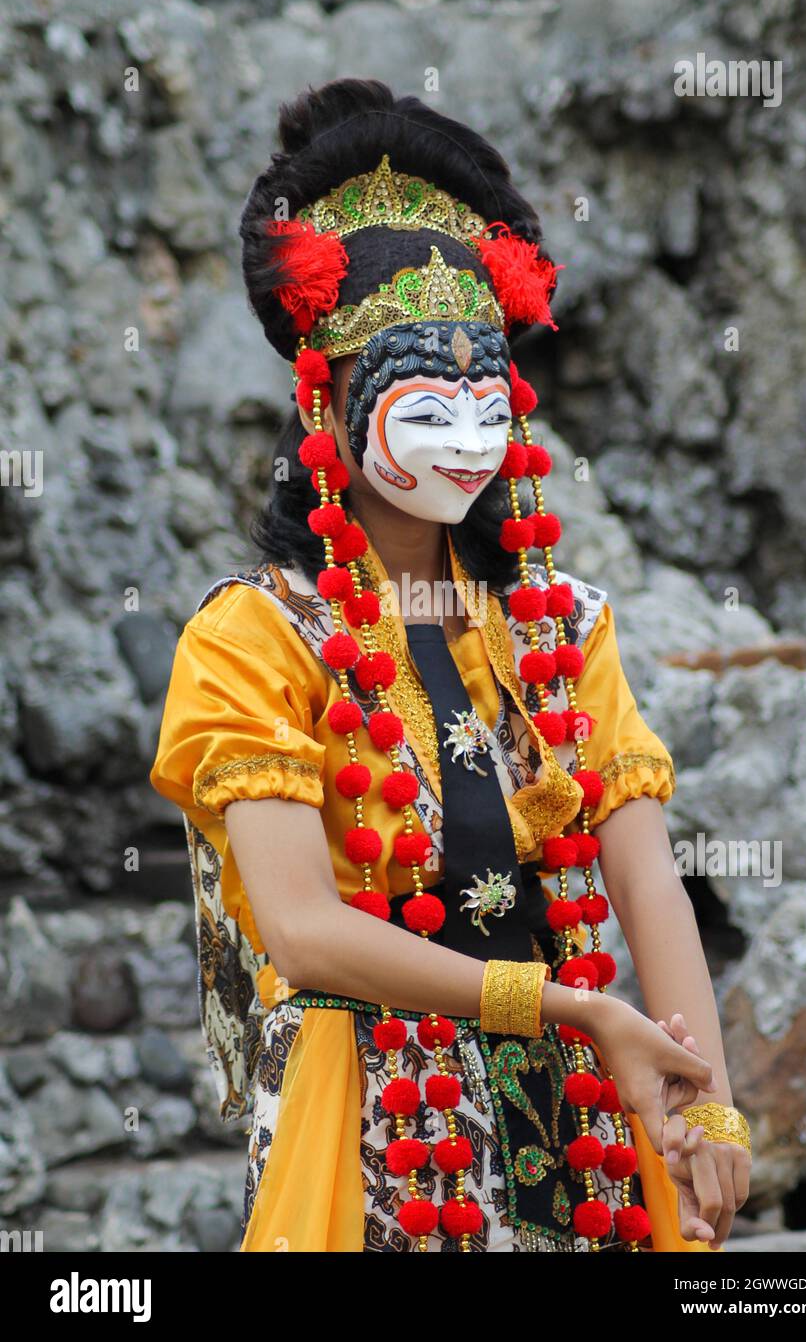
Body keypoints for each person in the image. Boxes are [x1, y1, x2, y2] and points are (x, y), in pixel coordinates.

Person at [150, 78, 751, 1253]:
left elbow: (645, 881)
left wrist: (706, 1099)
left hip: (575, 1107)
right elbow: (302, 929)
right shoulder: (255, 636)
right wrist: (565, 1003)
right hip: (370, 1113)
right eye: (426, 407)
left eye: (490, 403)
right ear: (327, 407)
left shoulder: (561, 626)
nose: (470, 442)